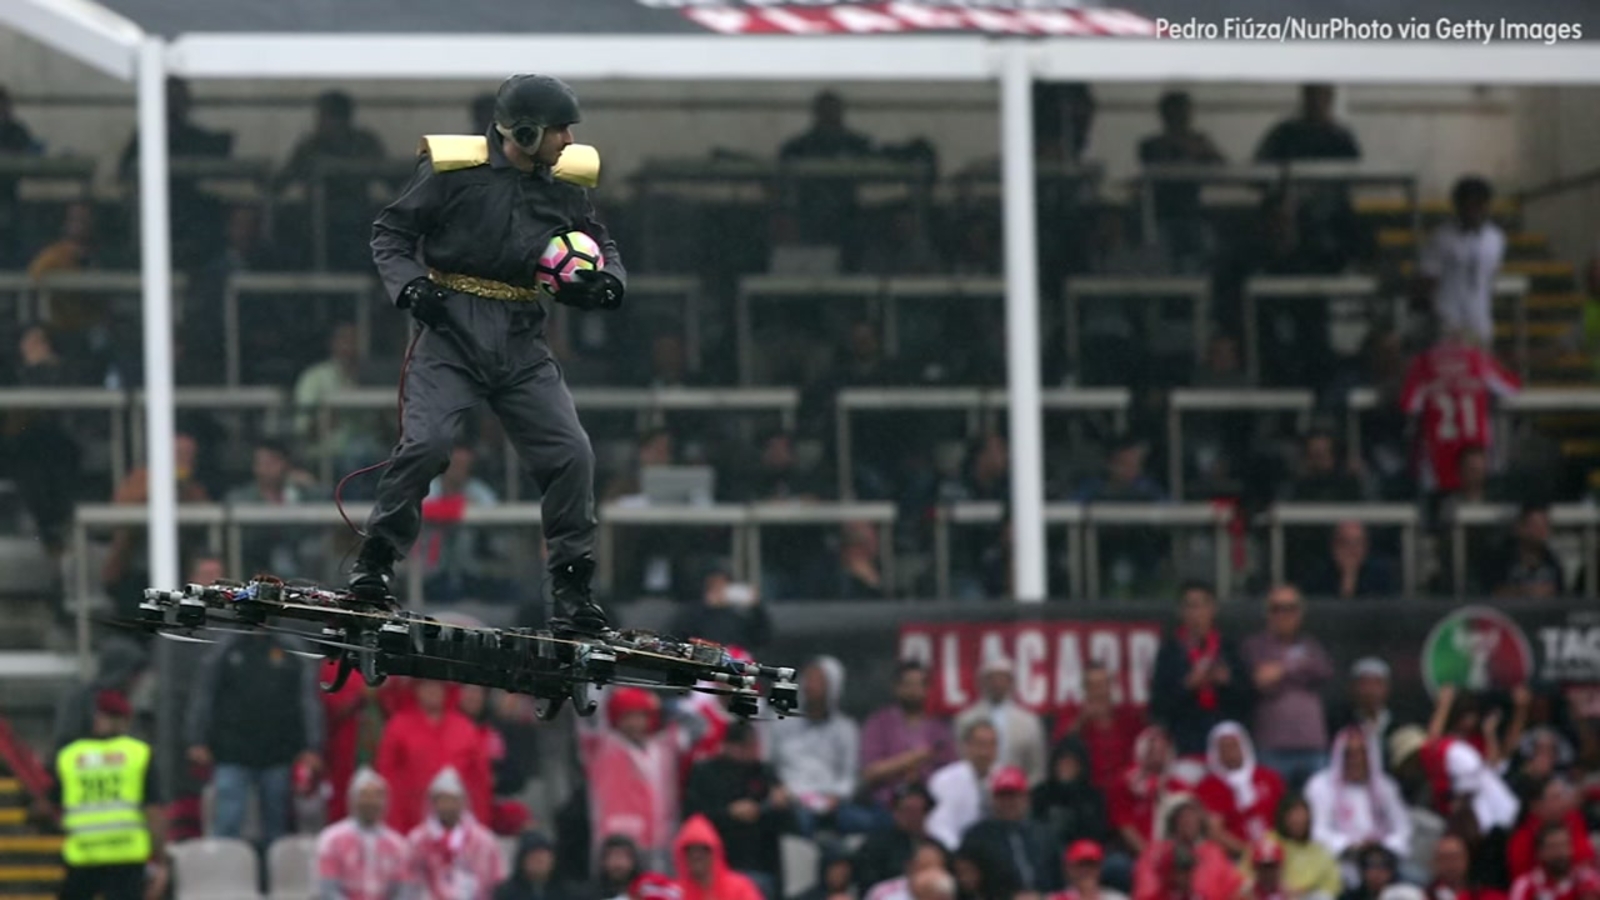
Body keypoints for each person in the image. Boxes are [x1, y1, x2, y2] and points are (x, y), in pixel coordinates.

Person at [352, 73, 626, 636]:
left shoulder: (566, 183)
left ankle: (573, 586)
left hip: (523, 335)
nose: (569, 141)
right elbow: (391, 231)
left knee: (572, 454)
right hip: (450, 329)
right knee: (425, 445)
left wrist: (607, 282)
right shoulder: (455, 173)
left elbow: (601, 242)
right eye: (559, 130)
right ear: (524, 133)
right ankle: (375, 563)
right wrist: (411, 287)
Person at [185, 631, 324, 855]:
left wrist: (311, 745)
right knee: (228, 821)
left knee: (277, 828)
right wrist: (198, 739)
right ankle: (225, 877)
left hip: (278, 752)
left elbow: (307, 700)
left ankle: (275, 883)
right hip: (231, 751)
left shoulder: (290, 648)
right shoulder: (225, 648)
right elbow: (205, 695)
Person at [53, 691, 166, 900]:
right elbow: (154, 812)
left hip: (83, 856)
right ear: (126, 720)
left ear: (96, 717)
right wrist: (160, 859)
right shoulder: (138, 753)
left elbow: (55, 807)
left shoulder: (69, 756)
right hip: (127, 858)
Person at [1399, 335, 1520, 497]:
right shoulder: (1477, 359)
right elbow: (1512, 388)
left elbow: (1409, 405)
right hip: (1474, 452)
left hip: (1438, 458)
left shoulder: (1423, 363)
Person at [683, 720, 790, 897]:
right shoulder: (705, 773)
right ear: (727, 745)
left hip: (759, 861)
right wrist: (729, 813)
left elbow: (784, 820)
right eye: (743, 746)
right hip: (717, 863)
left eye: (752, 745)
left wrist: (780, 804)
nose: (749, 751)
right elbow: (692, 817)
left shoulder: (764, 773)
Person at [1242, 585, 1335, 785]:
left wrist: (1281, 669)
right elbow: (1262, 681)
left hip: (1313, 745)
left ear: (1300, 613)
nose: (1284, 615)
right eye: (1277, 609)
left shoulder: (1311, 645)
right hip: (1273, 746)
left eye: (1290, 608)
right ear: (1267, 613)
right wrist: (1298, 667)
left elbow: (1324, 671)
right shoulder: (1255, 645)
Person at [768, 656, 871, 834]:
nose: (811, 686)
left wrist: (835, 797)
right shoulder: (782, 723)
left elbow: (849, 775)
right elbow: (771, 765)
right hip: (792, 799)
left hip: (832, 800)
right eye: (808, 679)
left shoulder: (846, 729)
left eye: (818, 681)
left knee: (868, 822)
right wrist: (779, 789)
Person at [1149, 583, 1254, 756]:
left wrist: (1227, 681)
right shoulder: (1170, 652)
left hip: (1227, 747)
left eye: (1201, 605)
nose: (1195, 613)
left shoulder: (1229, 648)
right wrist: (1187, 685)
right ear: (1181, 612)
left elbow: (1249, 697)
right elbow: (1158, 706)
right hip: (1186, 742)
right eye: (1189, 606)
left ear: (1212, 609)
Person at [376, 680, 493, 834]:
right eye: (426, 685)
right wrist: (394, 826)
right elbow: (387, 778)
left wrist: (478, 826)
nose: (433, 691)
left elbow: (480, 782)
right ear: (416, 690)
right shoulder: (397, 726)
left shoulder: (466, 728)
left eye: (438, 685)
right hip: (409, 824)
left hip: (457, 826)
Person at [1304, 728, 1412, 868]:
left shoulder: (1386, 786)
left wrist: (1382, 847)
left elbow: (1403, 827)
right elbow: (1317, 830)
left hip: (1384, 861)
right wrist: (1350, 846)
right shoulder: (1321, 786)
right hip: (1340, 861)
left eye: (1362, 753)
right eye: (1349, 754)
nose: (1356, 760)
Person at [1418, 177, 1505, 348]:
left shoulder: (1495, 238)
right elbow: (1428, 279)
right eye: (1468, 206)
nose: (1473, 211)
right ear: (1458, 206)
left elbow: (1489, 277)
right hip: (1448, 321)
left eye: (1478, 205)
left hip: (1480, 320)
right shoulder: (1441, 238)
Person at [1388, 725, 1520, 837]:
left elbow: (1473, 774)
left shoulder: (1450, 751)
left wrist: (1458, 802)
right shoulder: (1432, 764)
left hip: (1490, 809)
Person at [861, 661, 957, 808]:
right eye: (908, 685)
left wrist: (921, 777)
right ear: (897, 688)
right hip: (886, 805)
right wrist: (913, 759)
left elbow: (951, 774)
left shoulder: (939, 729)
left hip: (929, 805)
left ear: (927, 689)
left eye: (918, 685)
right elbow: (870, 773)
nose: (913, 690)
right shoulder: (879, 723)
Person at [407, 767, 503, 900]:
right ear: (433, 803)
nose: (448, 806)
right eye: (443, 800)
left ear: (463, 802)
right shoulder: (417, 840)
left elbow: (496, 881)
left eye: (453, 800)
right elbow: (409, 884)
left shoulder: (483, 840)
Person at [961, 766, 1063, 893]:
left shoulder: (1045, 834)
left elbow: (1059, 880)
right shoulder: (976, 836)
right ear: (993, 799)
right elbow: (968, 887)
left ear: (1026, 798)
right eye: (1002, 796)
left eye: (1014, 796)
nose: (1008, 802)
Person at [316, 767, 412, 900]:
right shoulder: (331, 839)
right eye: (364, 795)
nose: (370, 802)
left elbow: (403, 892)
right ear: (352, 799)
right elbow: (328, 890)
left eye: (376, 796)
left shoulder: (398, 846)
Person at [954, 652, 1047, 786]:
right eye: (992, 678)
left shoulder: (1029, 722)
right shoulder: (965, 719)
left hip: (1015, 796)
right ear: (983, 681)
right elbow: (961, 762)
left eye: (1002, 678)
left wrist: (1022, 790)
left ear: (1011, 682)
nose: (997, 683)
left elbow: (1037, 768)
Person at [1050, 664, 1145, 795]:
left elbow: (1142, 753)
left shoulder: (1128, 717)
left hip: (1124, 790)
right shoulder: (1072, 714)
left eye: (1102, 685)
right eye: (1093, 686)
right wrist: (1082, 720)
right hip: (1087, 793)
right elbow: (1059, 750)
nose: (1098, 691)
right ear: (1085, 689)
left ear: (1111, 687)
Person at [1194, 723, 1286, 855]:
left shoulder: (1269, 778)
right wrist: (1248, 852)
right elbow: (1214, 831)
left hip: (1276, 852)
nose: (1230, 752)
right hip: (1233, 857)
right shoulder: (1208, 786)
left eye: (1233, 746)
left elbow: (1285, 818)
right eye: (1223, 748)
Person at [927, 721, 1002, 851]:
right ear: (967, 746)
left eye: (991, 745)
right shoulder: (944, 780)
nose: (985, 752)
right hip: (955, 849)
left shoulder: (1004, 777)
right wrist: (961, 853)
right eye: (980, 745)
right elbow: (938, 826)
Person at [1506, 779, 1596, 880]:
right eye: (1556, 798)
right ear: (1536, 805)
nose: (1563, 802)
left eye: (1563, 795)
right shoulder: (1522, 841)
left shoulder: (1574, 819)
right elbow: (1523, 880)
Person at [854, 785, 938, 893]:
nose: (909, 816)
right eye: (904, 810)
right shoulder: (876, 845)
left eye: (915, 811)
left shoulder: (935, 847)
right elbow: (867, 883)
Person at [1032, 739, 1111, 850]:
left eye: (1072, 763)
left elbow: (1098, 835)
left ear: (1081, 766)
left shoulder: (1093, 797)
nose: (1066, 767)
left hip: (1083, 854)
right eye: (1063, 762)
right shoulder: (1040, 794)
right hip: (1047, 852)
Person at [672, 815, 764, 900]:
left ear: (715, 853)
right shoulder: (675, 893)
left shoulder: (740, 888)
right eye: (689, 850)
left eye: (704, 849)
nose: (696, 855)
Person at [1271, 797, 1342, 900]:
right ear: (1283, 818)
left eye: (1302, 817)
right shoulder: (1271, 842)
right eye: (1294, 817)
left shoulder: (1319, 850)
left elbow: (1333, 884)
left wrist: (1304, 891)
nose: (1299, 821)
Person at [1506, 825, 1600, 900]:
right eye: (1553, 846)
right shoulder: (1525, 886)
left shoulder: (1588, 880)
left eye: (1564, 845)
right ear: (1540, 852)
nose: (1560, 852)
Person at [496, 831, 580, 900]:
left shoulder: (569, 891)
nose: (539, 863)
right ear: (522, 861)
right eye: (534, 858)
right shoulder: (507, 893)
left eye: (543, 859)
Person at [1429, 834, 1507, 900]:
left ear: (1467, 859)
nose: (1450, 864)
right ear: (1435, 862)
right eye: (1444, 858)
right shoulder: (1424, 896)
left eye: (1455, 857)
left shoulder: (1490, 896)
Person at [1048, 840, 1130, 900]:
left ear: (1099, 868)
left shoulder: (1116, 898)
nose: (1086, 870)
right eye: (1081, 865)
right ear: (1069, 868)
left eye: (1091, 865)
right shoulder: (1057, 898)